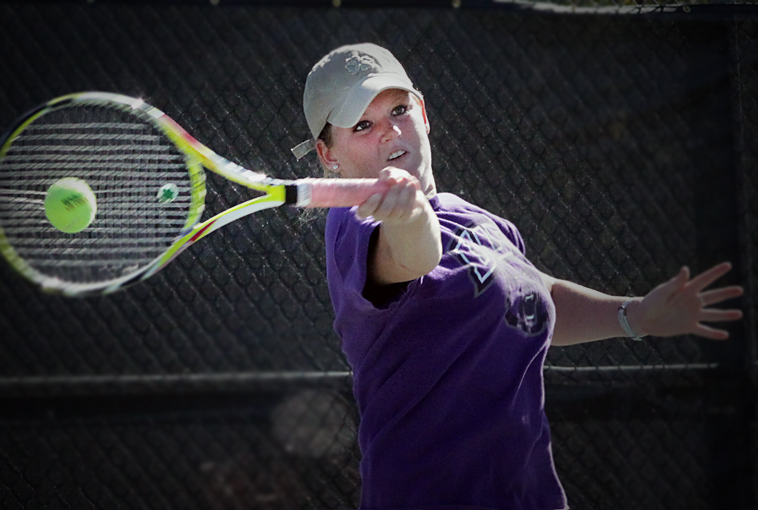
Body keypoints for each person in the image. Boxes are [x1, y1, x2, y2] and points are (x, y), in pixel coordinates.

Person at [292, 43, 744, 510]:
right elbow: (414, 259)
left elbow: (532, 302)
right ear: (328, 155)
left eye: (399, 109)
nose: (389, 132)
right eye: (362, 125)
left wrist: (635, 315)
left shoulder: (483, 223)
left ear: (423, 114)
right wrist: (408, 215)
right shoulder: (353, 224)